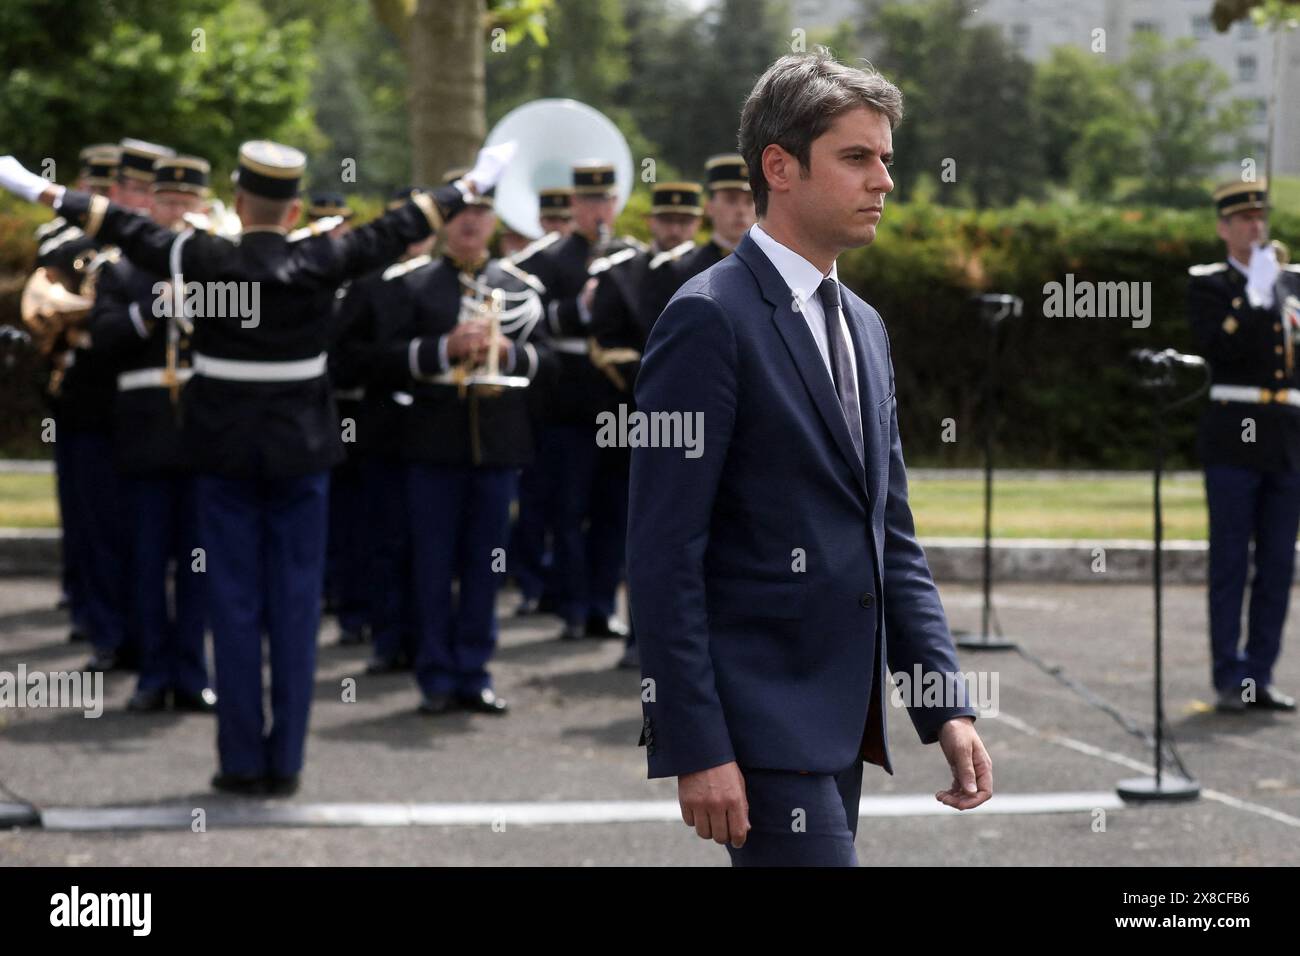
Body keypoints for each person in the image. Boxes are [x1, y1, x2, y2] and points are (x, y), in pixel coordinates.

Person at [0, 139, 485, 796]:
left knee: (230, 606)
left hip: (223, 460)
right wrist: (471, 184)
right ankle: (283, 762)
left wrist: (41, 190)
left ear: (237, 201)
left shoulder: (201, 257)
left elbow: (120, 225)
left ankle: (239, 760)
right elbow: (399, 227)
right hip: (302, 461)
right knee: (292, 606)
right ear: (291, 212)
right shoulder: (324, 257)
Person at [628, 51, 991, 866]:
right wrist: (696, 744)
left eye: (886, 160)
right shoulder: (707, 321)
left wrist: (944, 703)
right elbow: (662, 554)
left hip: (840, 724)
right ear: (780, 167)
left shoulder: (864, 323)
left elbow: (888, 532)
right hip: (756, 725)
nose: (884, 182)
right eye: (857, 158)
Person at [373, 167, 551, 714]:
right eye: (460, 212)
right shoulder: (413, 283)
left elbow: (549, 362)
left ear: (494, 220)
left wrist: (505, 354)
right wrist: (443, 348)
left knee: (486, 565)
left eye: (481, 212)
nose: (471, 222)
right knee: (431, 565)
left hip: (496, 450)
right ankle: (435, 676)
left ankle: (474, 671)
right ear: (444, 220)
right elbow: (379, 361)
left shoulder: (519, 288)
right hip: (432, 448)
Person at [88, 153, 216, 712]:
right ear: (151, 205)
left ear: (203, 208)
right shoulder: (120, 268)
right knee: (146, 560)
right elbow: (105, 338)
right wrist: (152, 310)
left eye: (187, 203)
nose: (176, 212)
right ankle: (150, 673)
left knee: (199, 561)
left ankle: (191, 672)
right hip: (142, 433)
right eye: (167, 201)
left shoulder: (218, 265)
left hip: (202, 431)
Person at [511, 162, 643, 641]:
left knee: (613, 509)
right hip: (565, 402)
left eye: (605, 202)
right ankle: (570, 604)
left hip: (617, 403)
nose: (598, 211)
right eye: (588, 203)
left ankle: (602, 604)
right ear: (574, 207)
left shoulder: (630, 256)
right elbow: (526, 318)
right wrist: (580, 309)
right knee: (568, 509)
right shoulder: (547, 258)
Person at [58, 138, 174, 674]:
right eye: (130, 188)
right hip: (96, 411)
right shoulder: (93, 255)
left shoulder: (180, 256)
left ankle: (158, 644)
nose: (138, 199)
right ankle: (112, 635)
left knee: (158, 544)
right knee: (104, 532)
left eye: (148, 191)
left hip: (162, 421)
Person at [1186, 178, 1300, 714]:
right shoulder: (1210, 285)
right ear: (1224, 228)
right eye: (1244, 220)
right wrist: (1254, 297)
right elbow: (1217, 347)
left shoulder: (1290, 282)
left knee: (1278, 563)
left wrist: (1274, 287)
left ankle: (1261, 674)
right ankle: (1229, 676)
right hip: (1234, 435)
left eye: (1261, 219)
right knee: (1232, 561)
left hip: (1287, 437)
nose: (1256, 227)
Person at [589, 181, 704, 669]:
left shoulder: (713, 269)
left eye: (685, 221)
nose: (675, 229)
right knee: (648, 532)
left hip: (706, 421)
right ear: (652, 222)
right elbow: (607, 346)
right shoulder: (624, 275)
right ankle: (641, 635)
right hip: (646, 418)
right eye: (667, 220)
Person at [330, 187, 432, 675]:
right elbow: (343, 361)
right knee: (384, 539)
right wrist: (399, 364)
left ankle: (430, 642)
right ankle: (387, 637)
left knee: (432, 545)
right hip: (383, 431)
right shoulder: (370, 285)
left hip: (439, 432)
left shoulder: (445, 282)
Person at [674, 154, 756, 280]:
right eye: (731, 200)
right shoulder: (682, 269)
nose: (741, 210)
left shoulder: (774, 266)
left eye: (750, 201)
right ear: (709, 207)